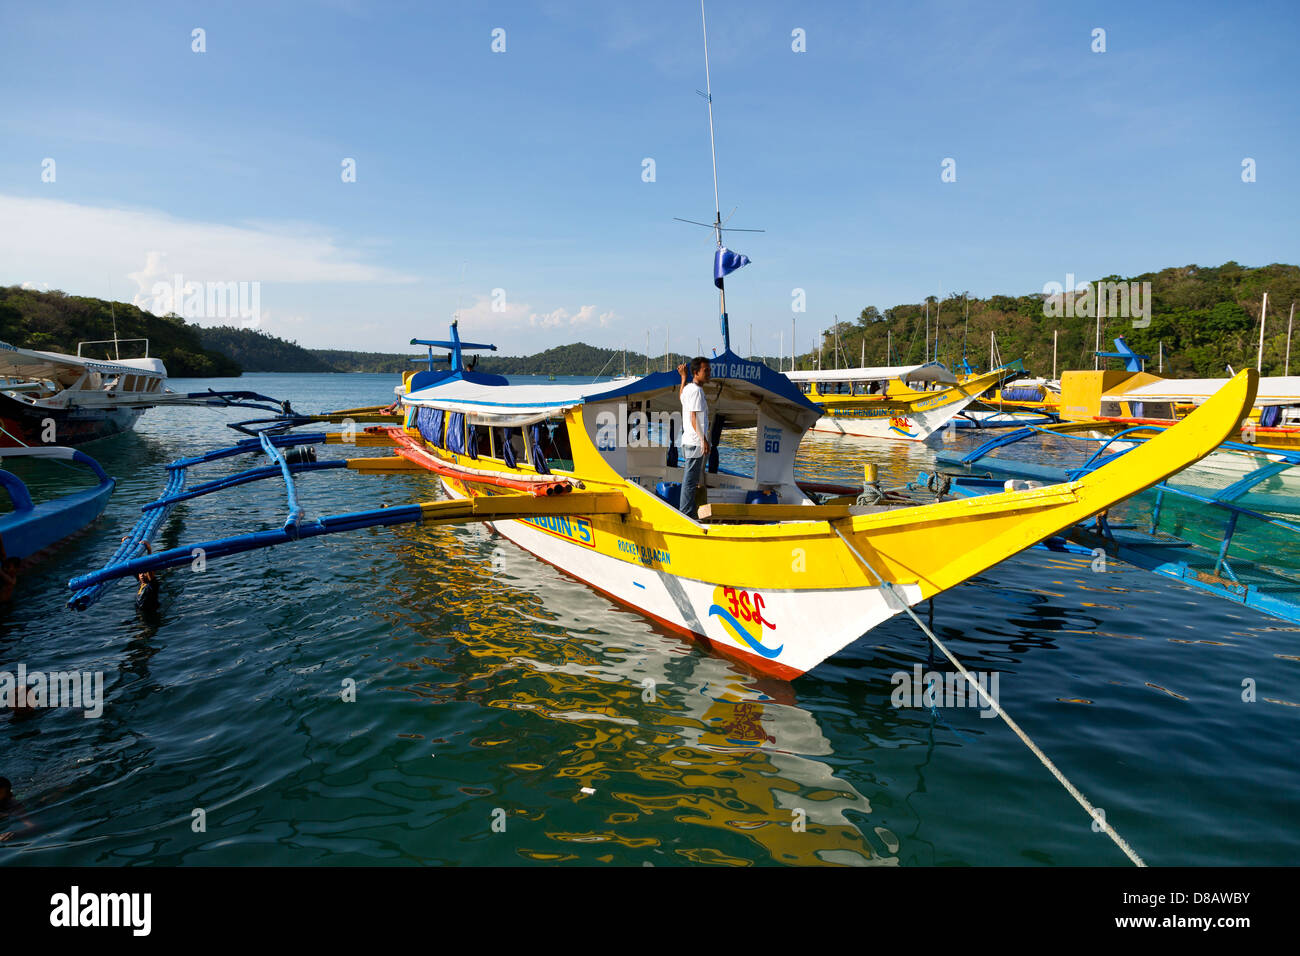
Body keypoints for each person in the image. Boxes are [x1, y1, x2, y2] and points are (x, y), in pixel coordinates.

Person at [676, 357, 711, 518]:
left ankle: (688, 511)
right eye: (706, 371)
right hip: (695, 442)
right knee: (690, 481)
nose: (709, 373)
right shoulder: (696, 391)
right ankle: (686, 513)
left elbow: (681, 397)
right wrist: (703, 440)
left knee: (691, 479)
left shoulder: (689, 388)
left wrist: (683, 378)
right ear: (696, 372)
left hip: (688, 441)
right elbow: (693, 418)